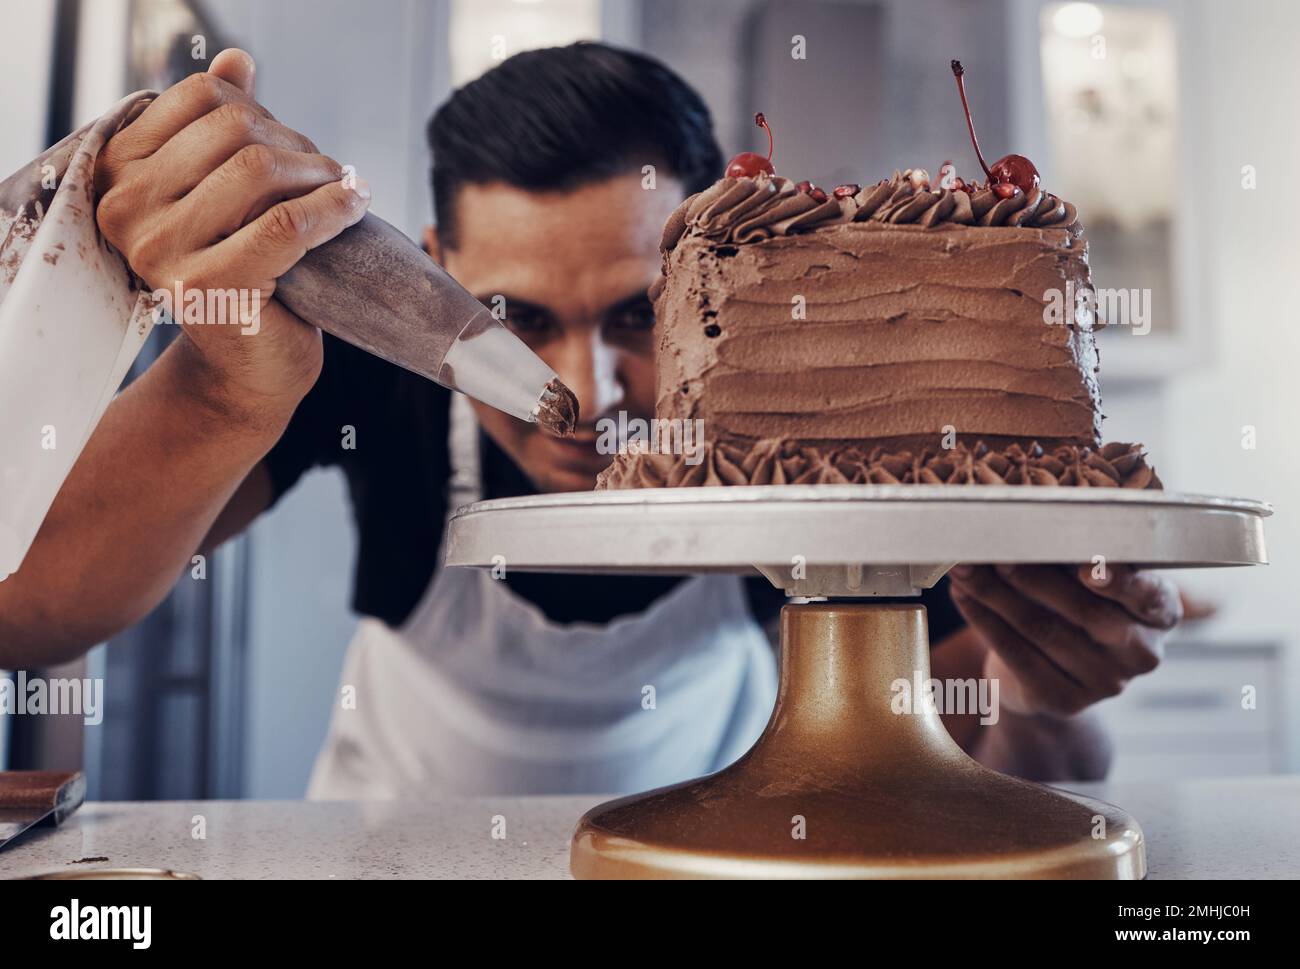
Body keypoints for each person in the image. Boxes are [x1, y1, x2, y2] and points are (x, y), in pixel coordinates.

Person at [0, 44, 1180, 794]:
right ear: (440, 270)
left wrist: (1044, 693)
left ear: (725, 282)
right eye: (513, 316)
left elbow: (1013, 769)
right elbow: (30, 616)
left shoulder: (802, 441)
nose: (590, 392)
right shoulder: (365, 373)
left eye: (635, 318)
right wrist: (222, 387)